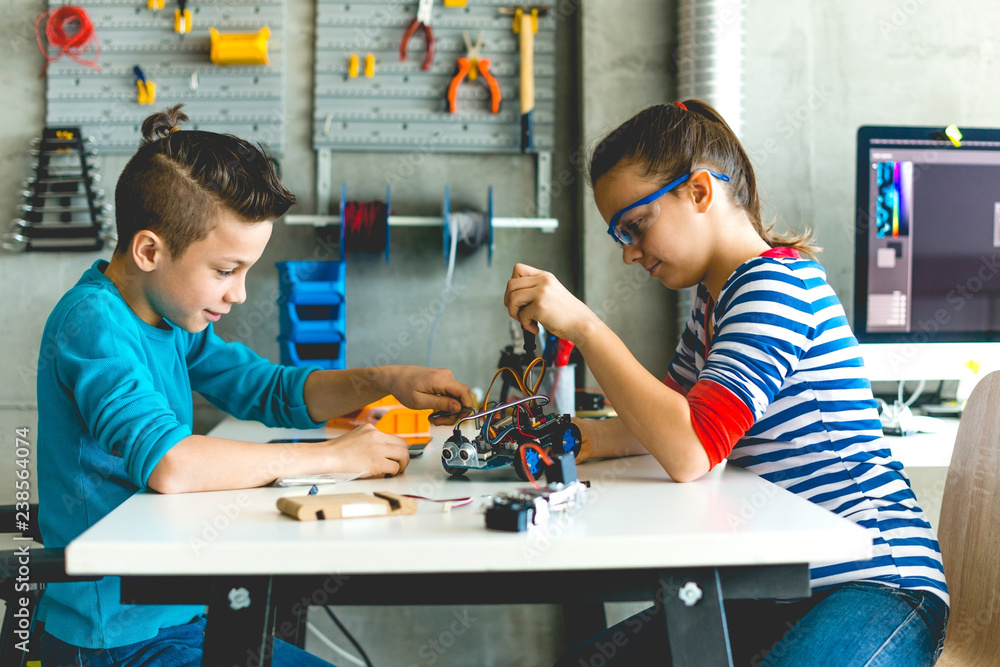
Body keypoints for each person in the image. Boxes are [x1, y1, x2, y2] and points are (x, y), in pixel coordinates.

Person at [504, 100, 948, 666]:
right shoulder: (715, 300)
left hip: (876, 583)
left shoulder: (775, 287)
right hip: (783, 587)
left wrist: (585, 326)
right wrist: (576, 441)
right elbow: (662, 426)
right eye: (619, 234)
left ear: (698, 192)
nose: (629, 253)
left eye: (634, 227)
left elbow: (690, 450)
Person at [36, 105, 475, 667]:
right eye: (225, 271)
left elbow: (264, 389)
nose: (239, 293)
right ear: (150, 251)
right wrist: (332, 459)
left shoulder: (167, 318)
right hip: (115, 637)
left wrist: (386, 381)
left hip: (182, 614)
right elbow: (170, 463)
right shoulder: (94, 324)